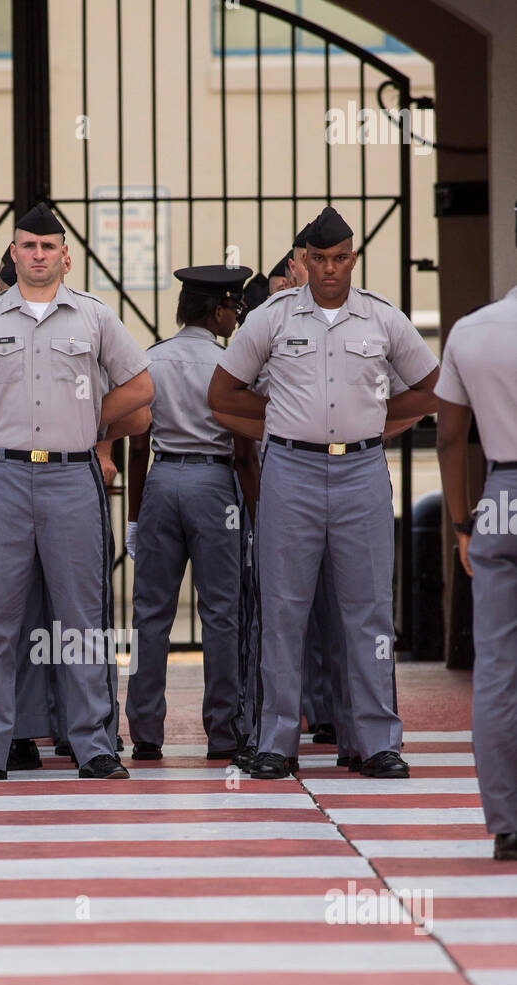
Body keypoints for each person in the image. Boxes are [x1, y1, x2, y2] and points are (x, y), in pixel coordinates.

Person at [208, 204, 439, 779]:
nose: (330, 269)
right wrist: (284, 421)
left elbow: (434, 386)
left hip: (361, 472)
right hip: (292, 471)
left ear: (353, 258)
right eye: (319, 259)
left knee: (367, 611)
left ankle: (375, 741)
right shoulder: (273, 318)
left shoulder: (382, 319)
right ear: (302, 261)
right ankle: (275, 741)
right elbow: (223, 393)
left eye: (340, 258)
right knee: (284, 610)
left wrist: (379, 421)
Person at [0, 200, 152, 782]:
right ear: (13, 252)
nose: (38, 255)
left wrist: (88, 420)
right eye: (28, 246)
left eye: (48, 247)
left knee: (83, 616)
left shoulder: (95, 318)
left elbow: (141, 386)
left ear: (66, 258)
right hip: (1, 476)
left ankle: (95, 745)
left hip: (72, 475)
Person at [124, 264, 259, 762]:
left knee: (150, 614)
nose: (238, 317)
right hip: (214, 483)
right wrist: (257, 516)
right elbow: (245, 453)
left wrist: (136, 517)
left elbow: (137, 448)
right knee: (221, 613)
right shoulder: (230, 367)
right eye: (234, 308)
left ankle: (145, 734)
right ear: (217, 310)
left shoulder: (152, 360)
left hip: (161, 480)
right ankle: (223, 733)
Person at [435, 282, 517, 860]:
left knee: (496, 667)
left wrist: (463, 523)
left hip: (499, 494)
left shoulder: (472, 330)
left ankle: (508, 821)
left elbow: (448, 438)